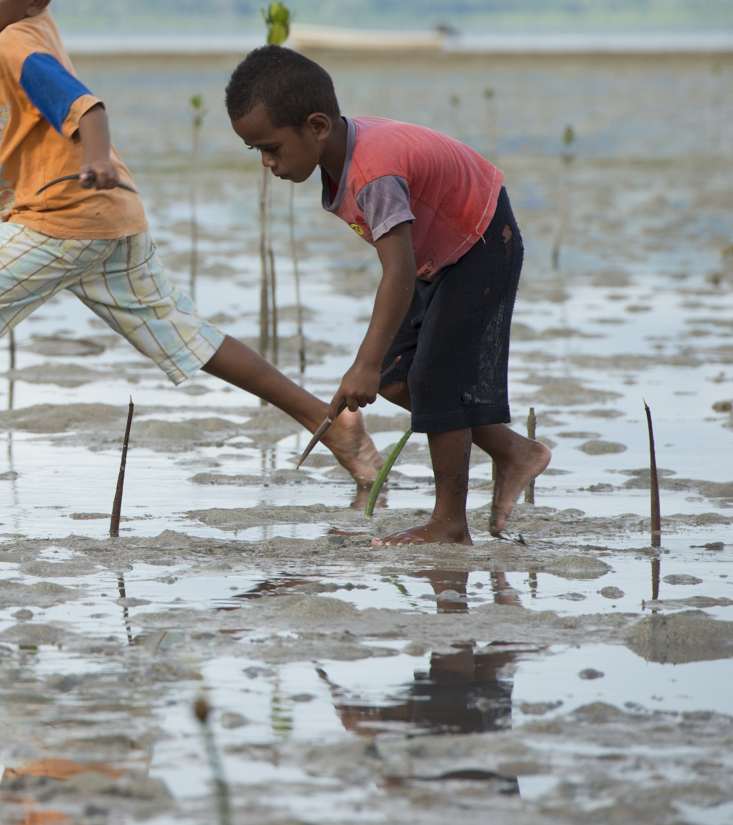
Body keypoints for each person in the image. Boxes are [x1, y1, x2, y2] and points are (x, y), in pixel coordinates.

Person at [0, 0, 384, 497]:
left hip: (64, 219)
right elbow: (14, 123)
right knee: (187, 334)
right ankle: (333, 425)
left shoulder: (18, 47)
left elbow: (87, 109)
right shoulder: (31, 30)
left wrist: (94, 157)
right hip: (114, 219)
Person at [224, 44, 549, 544]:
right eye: (257, 151)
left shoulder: (373, 173)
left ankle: (449, 525)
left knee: (436, 381)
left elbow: (395, 269)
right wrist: (376, 367)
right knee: (398, 380)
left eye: (271, 147)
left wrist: (363, 362)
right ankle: (513, 452)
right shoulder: (340, 151)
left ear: (316, 127)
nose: (267, 162)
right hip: (436, 256)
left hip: (478, 243)